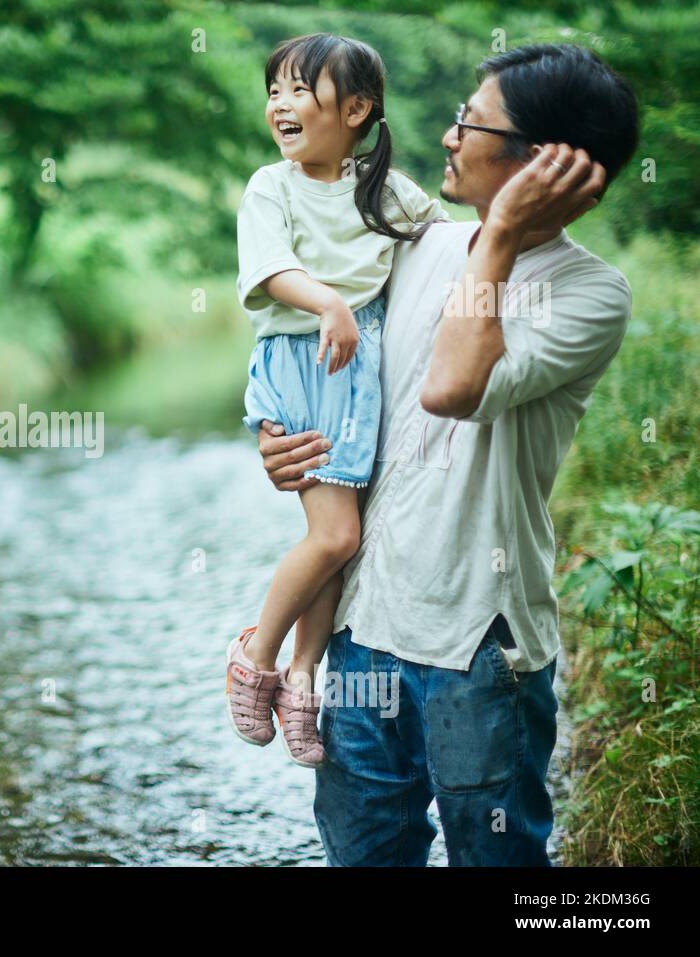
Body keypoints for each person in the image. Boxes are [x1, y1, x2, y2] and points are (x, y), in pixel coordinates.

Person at [256, 43, 639, 865]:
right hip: (362, 623)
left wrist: (498, 235)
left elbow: (453, 388)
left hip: (480, 641)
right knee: (363, 853)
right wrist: (275, 435)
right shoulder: (416, 242)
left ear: (542, 161)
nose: (449, 135)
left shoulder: (592, 294)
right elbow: (316, 347)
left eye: (471, 120)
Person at [225, 33, 447, 768]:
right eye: (275, 91)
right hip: (303, 359)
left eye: (300, 90)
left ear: (356, 109)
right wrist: (331, 304)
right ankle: (256, 655)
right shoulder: (271, 186)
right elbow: (269, 269)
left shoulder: (383, 189)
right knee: (336, 537)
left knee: (339, 542)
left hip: (356, 368)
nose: (280, 105)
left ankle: (301, 677)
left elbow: (452, 242)